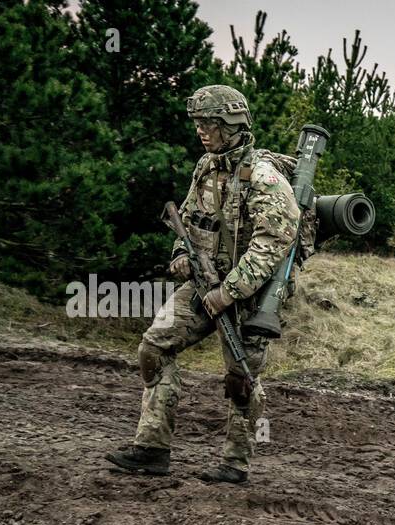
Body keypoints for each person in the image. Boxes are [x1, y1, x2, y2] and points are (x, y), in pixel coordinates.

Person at [106, 85, 300, 483]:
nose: (201, 131)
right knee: (154, 347)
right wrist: (181, 252)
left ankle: (234, 464)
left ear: (232, 124)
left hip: (250, 296)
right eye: (198, 124)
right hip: (202, 283)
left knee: (240, 380)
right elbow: (190, 216)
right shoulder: (206, 168)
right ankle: (152, 447)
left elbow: (272, 245)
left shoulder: (263, 177)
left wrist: (227, 293)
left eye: (209, 123)